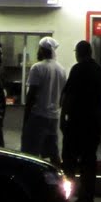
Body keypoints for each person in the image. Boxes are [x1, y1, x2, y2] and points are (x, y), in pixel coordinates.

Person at [60, 40, 101, 202]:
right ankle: (87, 196)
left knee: (69, 160)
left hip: (77, 122)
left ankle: (66, 195)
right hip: (94, 122)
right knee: (89, 160)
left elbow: (68, 96)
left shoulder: (77, 69)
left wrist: (63, 118)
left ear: (78, 53)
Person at [22, 36, 66, 165]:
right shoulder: (61, 70)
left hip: (37, 117)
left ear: (43, 50)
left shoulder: (37, 68)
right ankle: (58, 181)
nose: (37, 52)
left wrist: (26, 120)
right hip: (53, 118)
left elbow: (31, 96)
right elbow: (63, 97)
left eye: (39, 49)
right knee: (53, 154)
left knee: (30, 154)